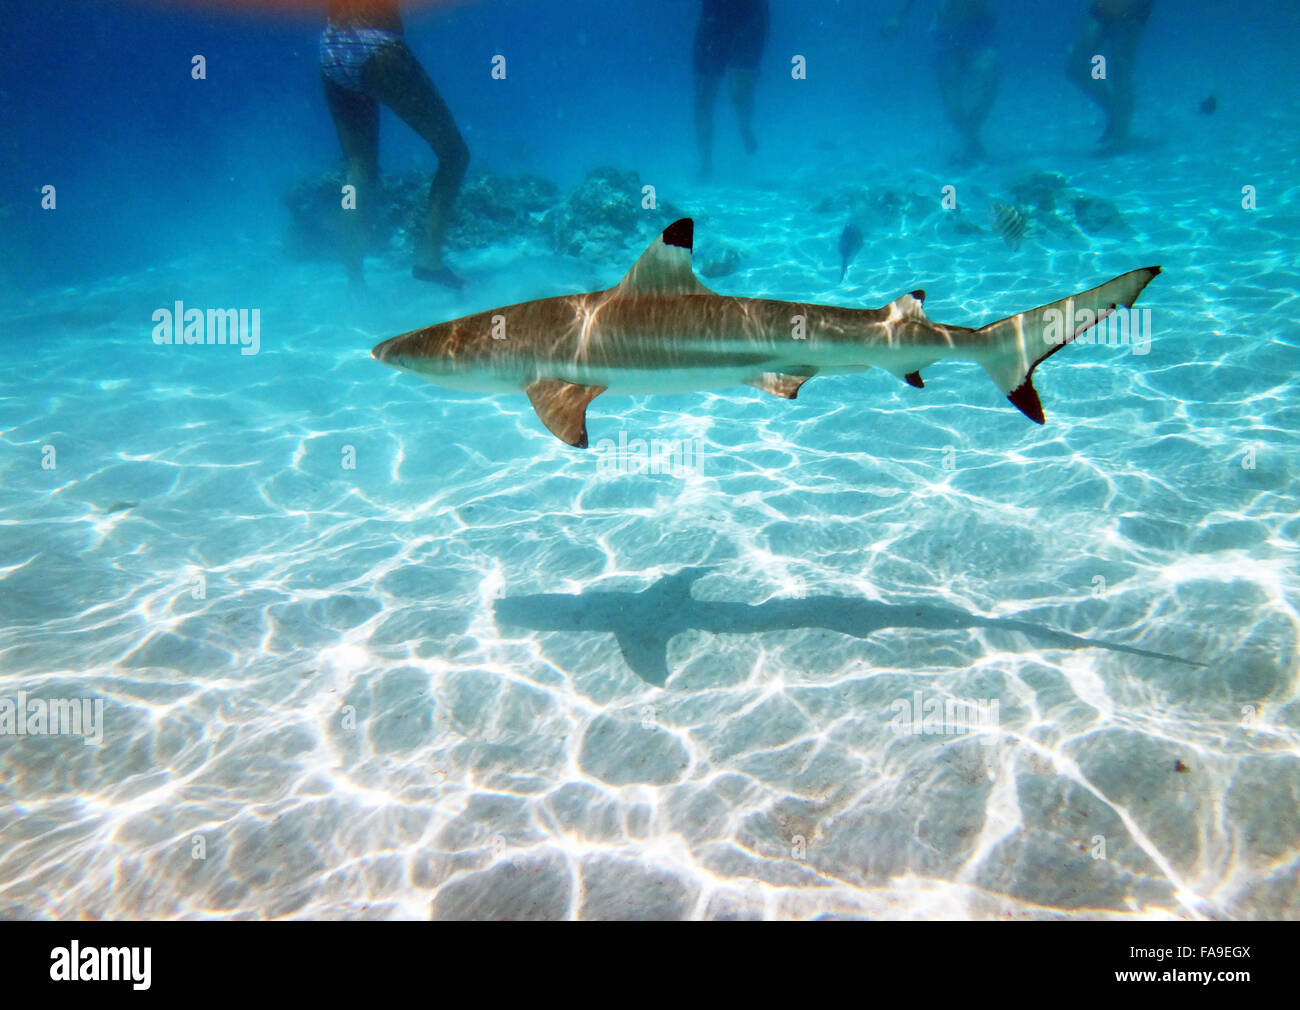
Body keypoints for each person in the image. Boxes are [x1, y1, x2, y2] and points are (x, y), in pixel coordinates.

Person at [320, 0, 469, 288]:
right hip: (378, 45)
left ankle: (354, 281)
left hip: (332, 48)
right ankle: (429, 260)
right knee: (455, 154)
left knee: (359, 167)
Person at [883, 0, 999, 164]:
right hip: (947, 34)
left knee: (989, 74)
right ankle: (969, 136)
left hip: (977, 32)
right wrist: (898, 18)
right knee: (951, 97)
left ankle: (971, 131)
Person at [1065, 0, 1156, 153]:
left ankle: (1121, 135)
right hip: (1102, 9)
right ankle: (1117, 117)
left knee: (1121, 72)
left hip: (1133, 10)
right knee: (1076, 66)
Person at [694, 0, 770, 178]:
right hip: (717, 18)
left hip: (747, 16)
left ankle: (744, 124)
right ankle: (706, 163)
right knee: (705, 93)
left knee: (736, 87)